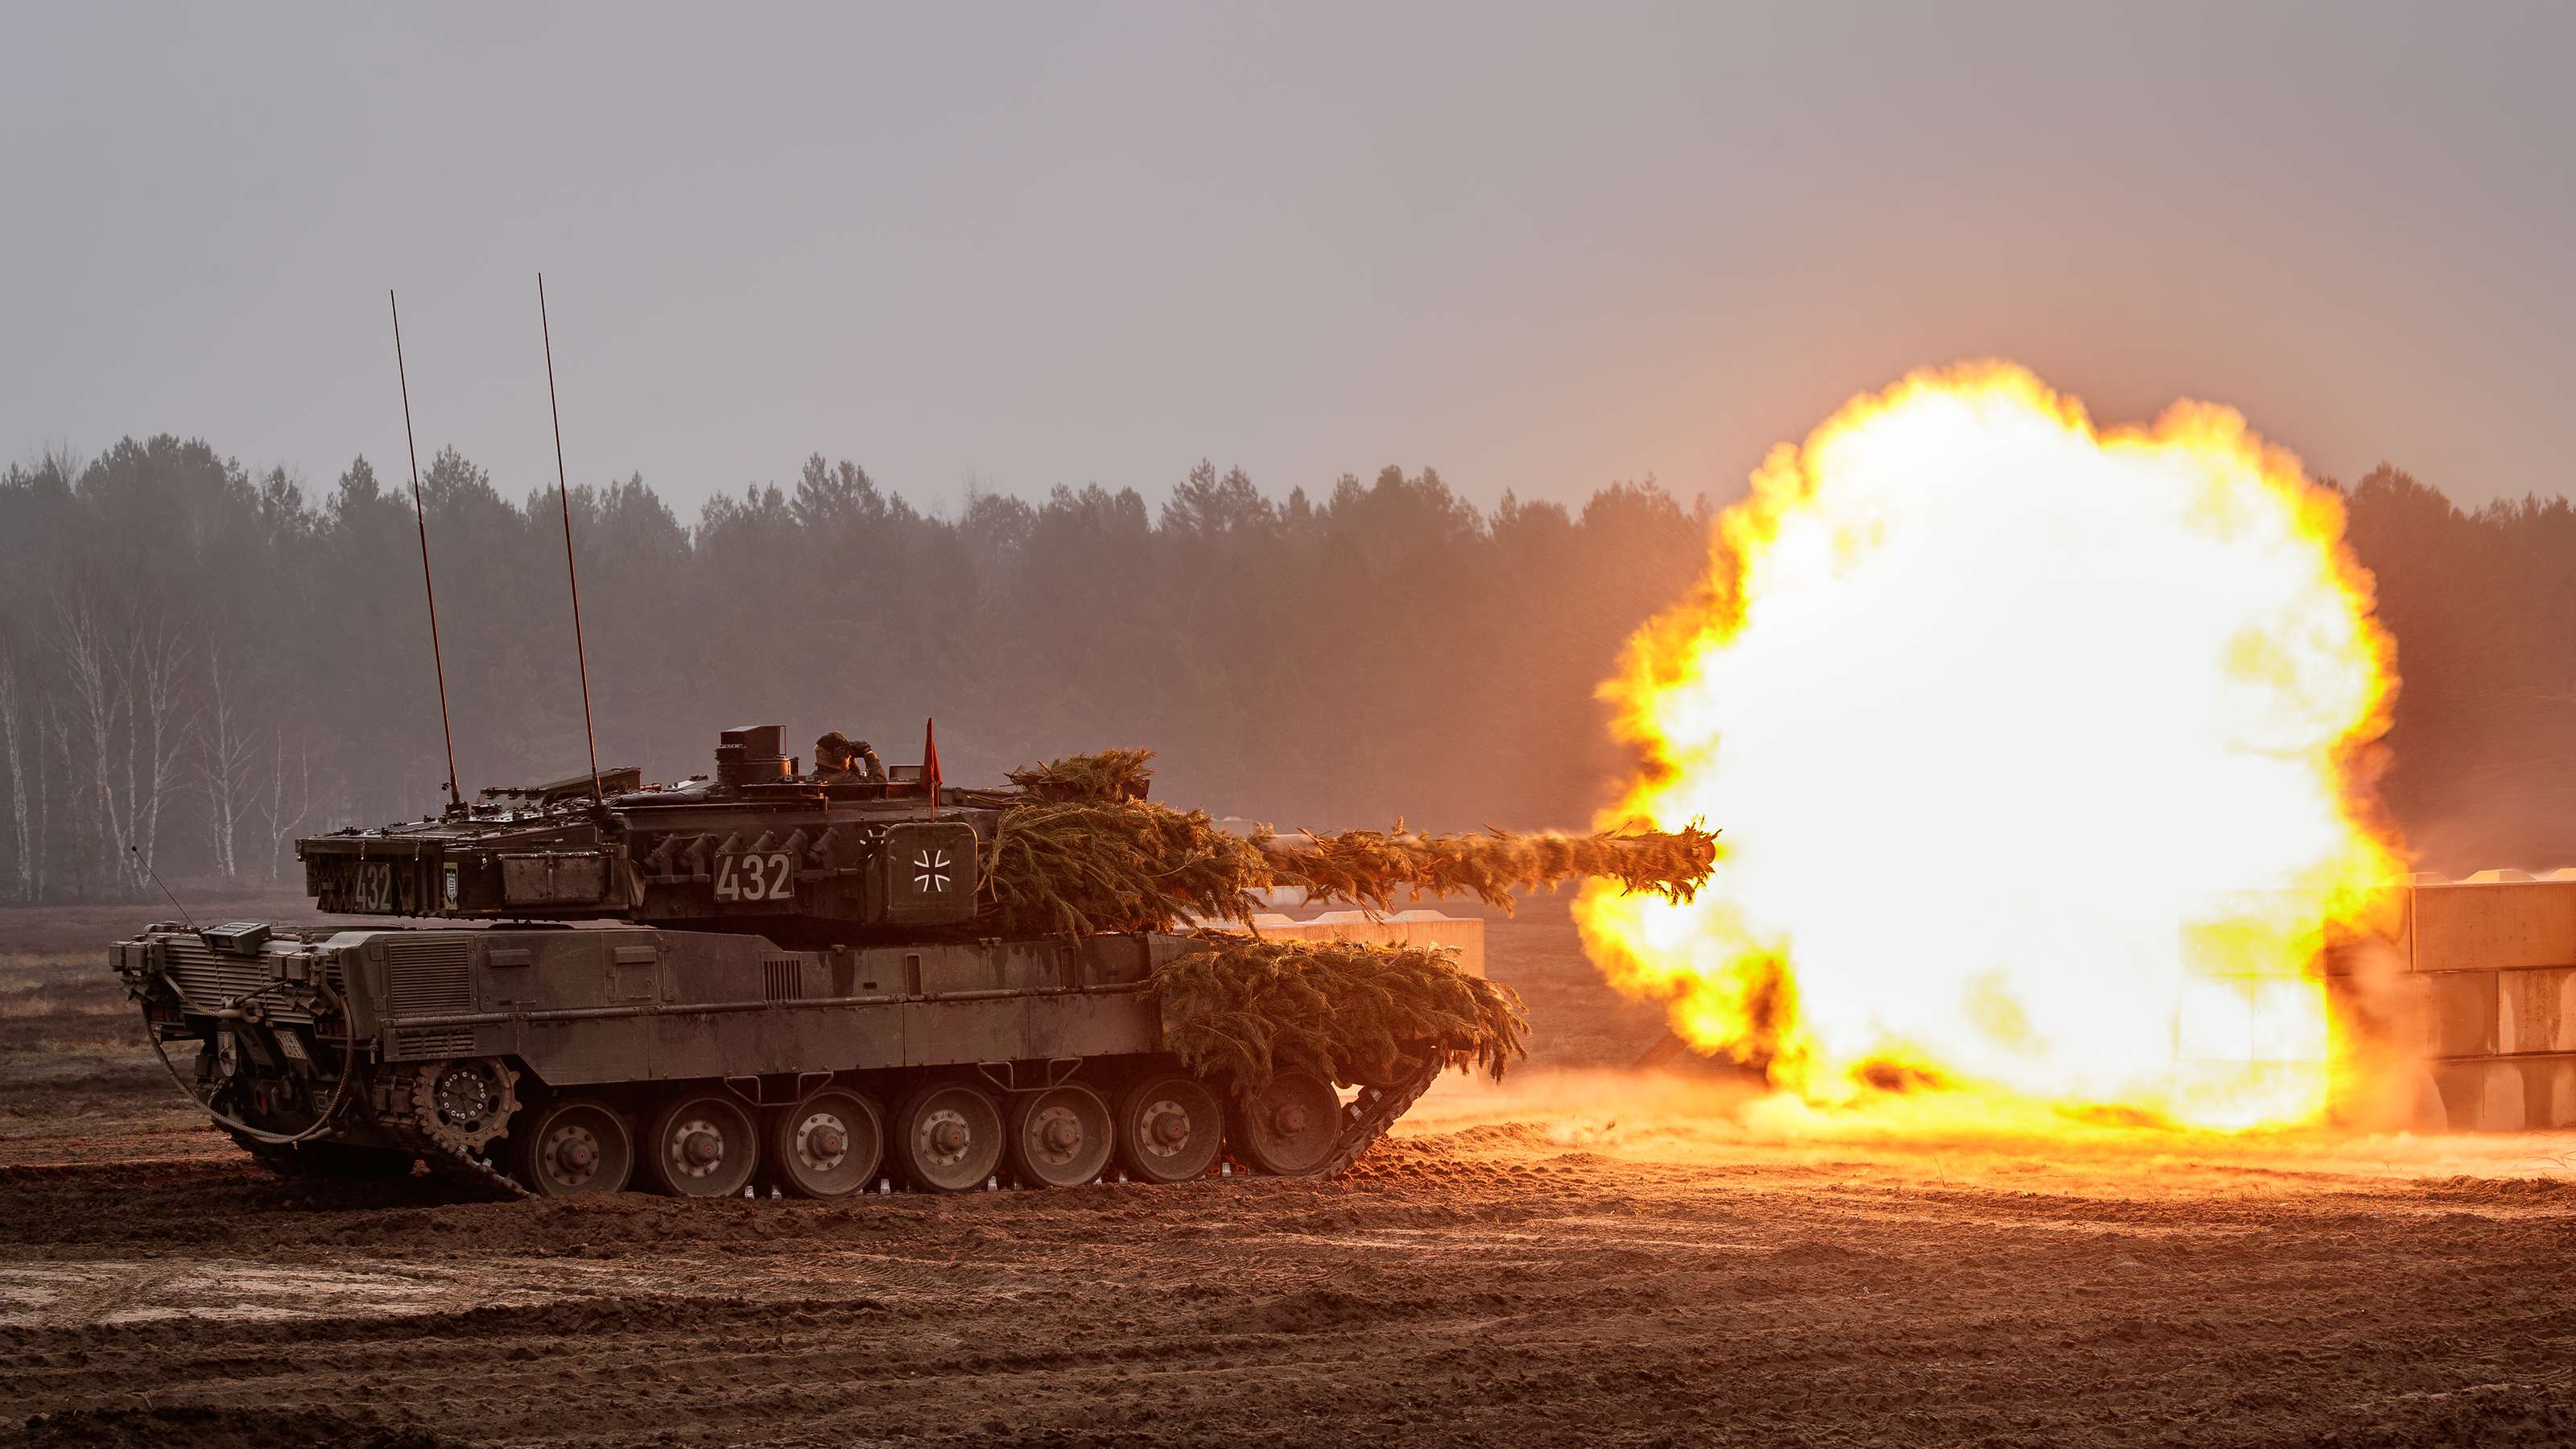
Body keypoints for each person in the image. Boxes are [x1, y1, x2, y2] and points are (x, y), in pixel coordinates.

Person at [813, 730, 886, 784]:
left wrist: (851, 762)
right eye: (847, 754)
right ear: (840, 756)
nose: (850, 756)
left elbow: (853, 777)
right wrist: (869, 754)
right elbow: (880, 784)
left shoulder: (815, 778)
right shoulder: (845, 781)